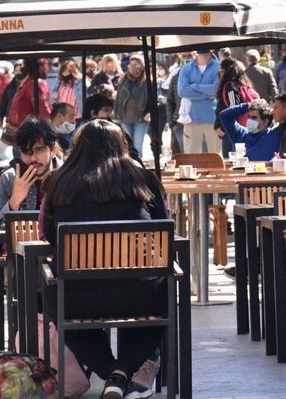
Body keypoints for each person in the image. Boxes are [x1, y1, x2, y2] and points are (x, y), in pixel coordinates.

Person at [40, 120, 170, 398]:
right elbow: (162, 225)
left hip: (76, 297)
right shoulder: (144, 179)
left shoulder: (58, 182)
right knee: (163, 301)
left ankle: (112, 373)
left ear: (78, 149)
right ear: (122, 145)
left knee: (56, 303)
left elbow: (49, 235)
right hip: (140, 293)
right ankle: (120, 375)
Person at [0, 118, 62, 231]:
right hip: (19, 243)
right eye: (27, 152)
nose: (33, 158)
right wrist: (14, 202)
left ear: (53, 150)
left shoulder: (67, 178)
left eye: (39, 150)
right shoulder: (9, 179)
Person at [177, 49, 221, 154]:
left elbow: (216, 89)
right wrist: (207, 94)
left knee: (216, 158)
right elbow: (182, 91)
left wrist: (195, 86)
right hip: (191, 120)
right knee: (191, 158)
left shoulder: (219, 67)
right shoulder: (186, 68)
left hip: (214, 120)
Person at [218, 99, 285, 162]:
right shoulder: (241, 134)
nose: (250, 120)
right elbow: (224, 116)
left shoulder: (275, 135)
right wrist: (247, 106)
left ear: (265, 122)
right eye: (249, 117)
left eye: (254, 118)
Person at [114, 54, 151, 155]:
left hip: (141, 118)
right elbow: (118, 99)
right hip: (125, 118)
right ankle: (129, 164)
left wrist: (149, 112)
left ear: (142, 67)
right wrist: (116, 114)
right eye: (131, 65)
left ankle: (138, 164)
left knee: (138, 146)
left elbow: (152, 99)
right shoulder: (123, 80)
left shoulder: (146, 81)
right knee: (127, 146)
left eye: (136, 65)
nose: (133, 67)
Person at [6, 56, 53, 134]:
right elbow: (44, 110)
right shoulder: (32, 83)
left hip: (23, 131)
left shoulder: (31, 83)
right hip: (23, 132)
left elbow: (43, 110)